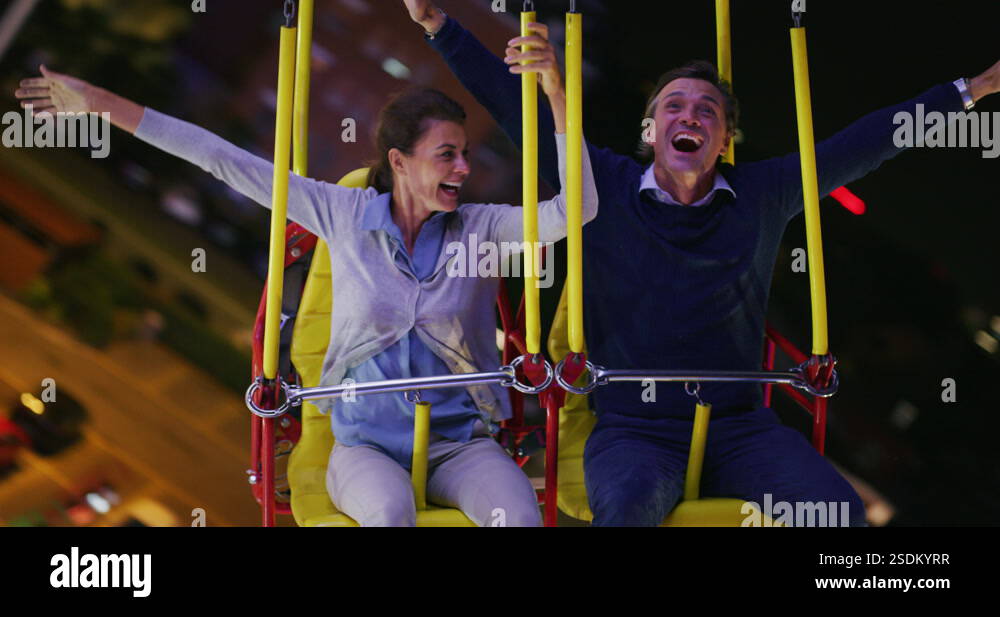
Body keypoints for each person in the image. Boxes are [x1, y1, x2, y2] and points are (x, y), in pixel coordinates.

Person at [403, 1, 1000, 526]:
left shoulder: (765, 193)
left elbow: (865, 145)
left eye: (708, 111)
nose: (689, 116)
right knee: (630, 507)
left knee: (838, 513)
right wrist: (439, 25)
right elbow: (520, 112)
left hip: (740, 428)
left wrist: (972, 89)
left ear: (724, 138)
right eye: (674, 106)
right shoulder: (602, 184)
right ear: (651, 130)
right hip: (636, 428)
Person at [13, 28, 597, 526]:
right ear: (399, 161)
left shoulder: (481, 227)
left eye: (465, 153)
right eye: (447, 154)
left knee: (518, 518)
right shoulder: (342, 213)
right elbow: (220, 159)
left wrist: (554, 90)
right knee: (391, 516)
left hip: (462, 443)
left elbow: (579, 211)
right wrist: (100, 105)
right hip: (366, 446)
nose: (465, 168)